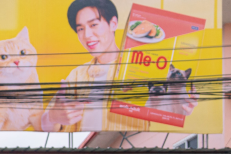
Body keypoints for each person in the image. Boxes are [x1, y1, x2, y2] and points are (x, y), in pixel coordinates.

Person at [38, 0, 191, 132]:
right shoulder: (77, 75)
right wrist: (52, 117)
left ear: (113, 24)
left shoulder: (143, 68)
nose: (87, 35)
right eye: (80, 29)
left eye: (94, 25)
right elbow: (45, 125)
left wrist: (182, 105)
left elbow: (163, 114)